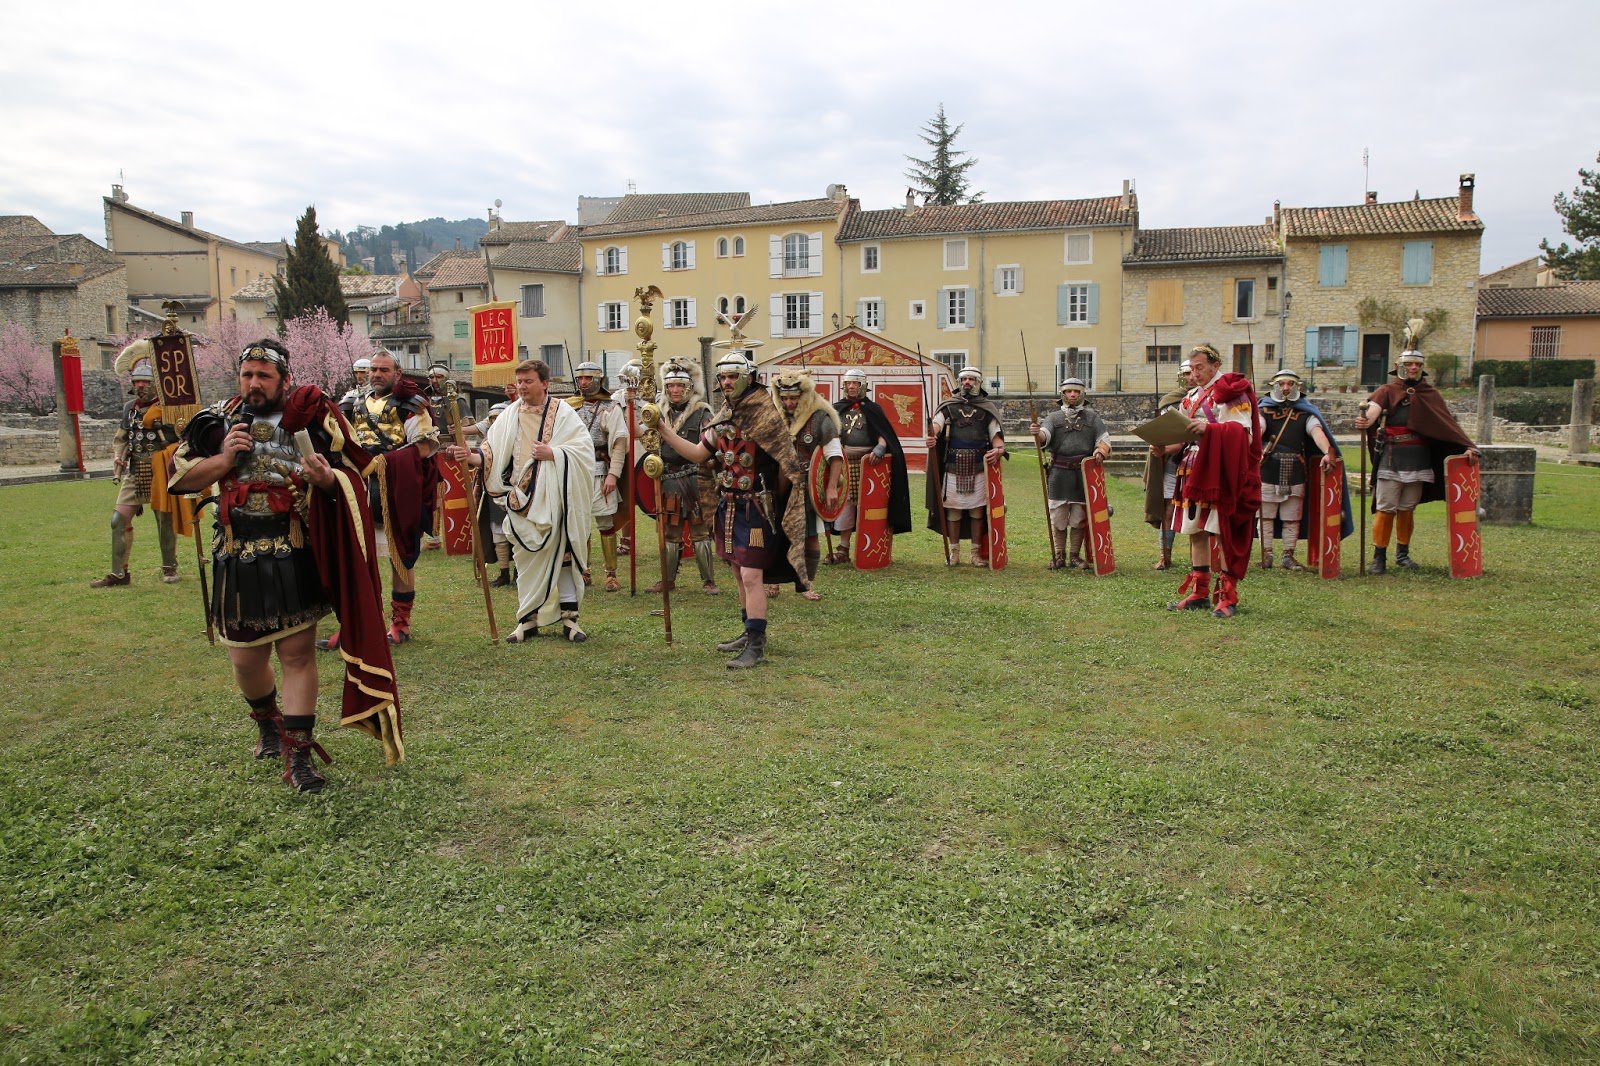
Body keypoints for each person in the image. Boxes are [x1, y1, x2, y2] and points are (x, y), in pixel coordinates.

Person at [169, 338, 403, 793]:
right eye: (247, 375)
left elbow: (354, 473)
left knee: (297, 654)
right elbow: (180, 480)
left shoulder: (314, 419)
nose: (254, 384)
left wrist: (327, 479)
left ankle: (299, 755)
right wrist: (224, 459)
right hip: (236, 552)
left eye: (264, 376)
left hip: (292, 548)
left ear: (285, 380)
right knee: (245, 660)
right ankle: (267, 723)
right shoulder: (217, 421)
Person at [653, 349, 811, 669]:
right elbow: (699, 454)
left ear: (748, 378)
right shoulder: (725, 412)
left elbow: (787, 461)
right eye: (723, 377)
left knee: (752, 574)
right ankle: (749, 630)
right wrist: (662, 429)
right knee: (739, 571)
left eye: (732, 377)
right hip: (729, 505)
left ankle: (756, 644)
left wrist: (779, 500)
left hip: (757, 507)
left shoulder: (766, 411)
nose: (726, 382)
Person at [448, 359, 594, 642]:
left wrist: (554, 454)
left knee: (563, 556)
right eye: (519, 381)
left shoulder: (563, 413)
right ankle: (528, 619)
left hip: (556, 499)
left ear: (544, 383)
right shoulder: (509, 414)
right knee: (525, 559)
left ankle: (570, 619)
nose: (522, 387)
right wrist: (470, 456)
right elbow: (490, 454)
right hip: (521, 498)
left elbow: (584, 451)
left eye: (528, 381)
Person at [332, 349, 439, 646]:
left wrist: (384, 462)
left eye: (384, 370)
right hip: (358, 488)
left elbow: (424, 446)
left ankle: (400, 623)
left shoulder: (412, 404)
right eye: (373, 370)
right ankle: (357, 625)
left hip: (396, 488)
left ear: (397, 374)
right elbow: (337, 441)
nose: (377, 374)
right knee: (356, 558)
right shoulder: (351, 402)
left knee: (399, 558)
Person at [1354, 346, 1478, 574]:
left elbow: (1447, 424)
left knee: (1407, 508)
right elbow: (1373, 410)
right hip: (1391, 458)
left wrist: (1467, 446)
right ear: (1398, 367)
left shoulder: (1430, 393)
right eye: (1409, 364)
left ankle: (1402, 555)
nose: (1413, 368)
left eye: (1417, 364)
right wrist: (1366, 420)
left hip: (1419, 458)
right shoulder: (1386, 391)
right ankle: (1379, 558)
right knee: (1385, 508)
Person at [1164, 344, 1263, 618]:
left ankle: (1228, 596)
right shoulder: (1190, 397)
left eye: (1200, 368)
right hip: (1191, 469)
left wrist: (1209, 429)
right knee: (1196, 530)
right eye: (1192, 368)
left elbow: (1243, 435)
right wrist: (1163, 446)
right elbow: (1183, 438)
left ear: (1215, 365)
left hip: (1221, 470)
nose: (1195, 374)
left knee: (1222, 531)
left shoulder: (1231, 393)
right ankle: (1199, 593)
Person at [91, 357, 190, 587]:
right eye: (137, 382)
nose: (140, 386)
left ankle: (169, 567)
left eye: (145, 382)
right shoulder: (130, 408)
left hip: (161, 470)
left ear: (156, 384)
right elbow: (121, 438)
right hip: (135, 470)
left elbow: (182, 438)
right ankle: (119, 574)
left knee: (164, 520)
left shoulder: (169, 409)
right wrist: (119, 454)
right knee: (117, 520)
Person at [644, 357, 720, 596]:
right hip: (668, 479)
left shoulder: (702, 412)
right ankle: (667, 580)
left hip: (695, 478)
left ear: (690, 387)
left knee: (700, 532)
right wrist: (630, 404)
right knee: (670, 533)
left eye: (680, 385)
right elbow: (642, 435)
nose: (675, 390)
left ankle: (708, 581)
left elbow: (710, 446)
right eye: (671, 385)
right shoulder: (658, 412)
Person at [1258, 370, 1343, 571]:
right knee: (1265, 515)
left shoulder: (1306, 412)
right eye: (1282, 384)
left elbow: (1316, 432)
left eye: (1290, 384)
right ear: (1274, 386)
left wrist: (1327, 451)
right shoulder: (1263, 410)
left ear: (1297, 387)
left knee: (1292, 517)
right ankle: (1266, 554)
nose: (1286, 388)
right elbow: (1258, 428)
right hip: (1268, 468)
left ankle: (1288, 555)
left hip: (1295, 469)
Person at [829, 367, 912, 565]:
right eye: (848, 383)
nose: (851, 386)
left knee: (870, 506)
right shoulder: (836, 409)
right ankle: (843, 548)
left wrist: (881, 447)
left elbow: (883, 434)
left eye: (855, 383)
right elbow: (830, 433)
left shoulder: (873, 409)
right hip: (844, 463)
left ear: (863, 385)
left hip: (870, 465)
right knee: (846, 505)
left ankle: (870, 547)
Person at [771, 367, 841, 599]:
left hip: (807, 488)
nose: (789, 403)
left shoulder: (820, 418)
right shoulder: (774, 418)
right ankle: (773, 582)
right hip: (778, 487)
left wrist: (831, 487)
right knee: (776, 536)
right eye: (785, 398)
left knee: (810, 537)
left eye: (793, 398)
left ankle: (806, 584)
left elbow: (835, 456)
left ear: (803, 396)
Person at [927, 366, 1007, 566]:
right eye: (963, 379)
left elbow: (996, 437)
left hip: (979, 467)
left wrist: (999, 449)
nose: (967, 383)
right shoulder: (949, 406)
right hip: (953, 466)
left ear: (978, 383)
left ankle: (975, 554)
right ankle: (954, 554)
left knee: (977, 512)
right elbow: (937, 424)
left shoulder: (986, 408)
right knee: (953, 511)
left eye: (971, 379)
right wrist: (932, 433)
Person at [1031, 377, 1112, 570]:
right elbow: (1045, 436)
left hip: (1083, 476)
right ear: (1063, 394)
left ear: (1082, 394)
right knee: (1058, 517)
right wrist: (1037, 433)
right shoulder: (1053, 418)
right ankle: (1059, 556)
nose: (1073, 394)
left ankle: (1075, 556)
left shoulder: (1092, 419)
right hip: (1059, 475)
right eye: (1069, 391)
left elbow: (1104, 440)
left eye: (1076, 391)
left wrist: (1100, 451)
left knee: (1079, 518)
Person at [567, 360, 630, 591]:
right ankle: (584, 571)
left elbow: (619, 443)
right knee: (579, 524)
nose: (583, 382)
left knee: (605, 522)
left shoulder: (611, 407)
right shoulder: (568, 407)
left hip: (601, 470)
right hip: (575, 470)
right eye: (580, 378)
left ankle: (611, 574)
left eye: (588, 378)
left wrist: (613, 474)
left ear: (598, 380)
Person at [1143, 362, 1192, 570]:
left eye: (1194, 372)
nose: (1191, 377)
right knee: (1168, 510)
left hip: (1199, 460)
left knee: (1199, 510)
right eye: (1187, 373)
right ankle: (1165, 554)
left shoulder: (1211, 400)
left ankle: (1200, 558)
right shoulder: (1170, 402)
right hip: (1173, 461)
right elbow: (1164, 432)